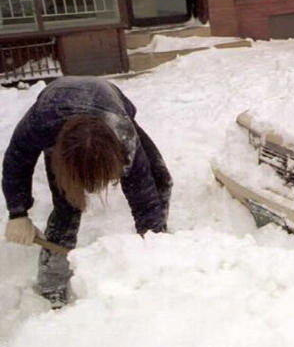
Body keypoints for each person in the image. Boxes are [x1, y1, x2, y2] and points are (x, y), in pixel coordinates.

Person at [3, 76, 172, 308]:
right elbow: (16, 162)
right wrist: (18, 212)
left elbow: (143, 194)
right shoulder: (41, 124)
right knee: (67, 207)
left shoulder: (123, 134)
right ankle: (51, 286)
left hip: (108, 99)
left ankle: (159, 248)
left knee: (161, 178)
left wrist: (154, 244)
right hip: (57, 104)